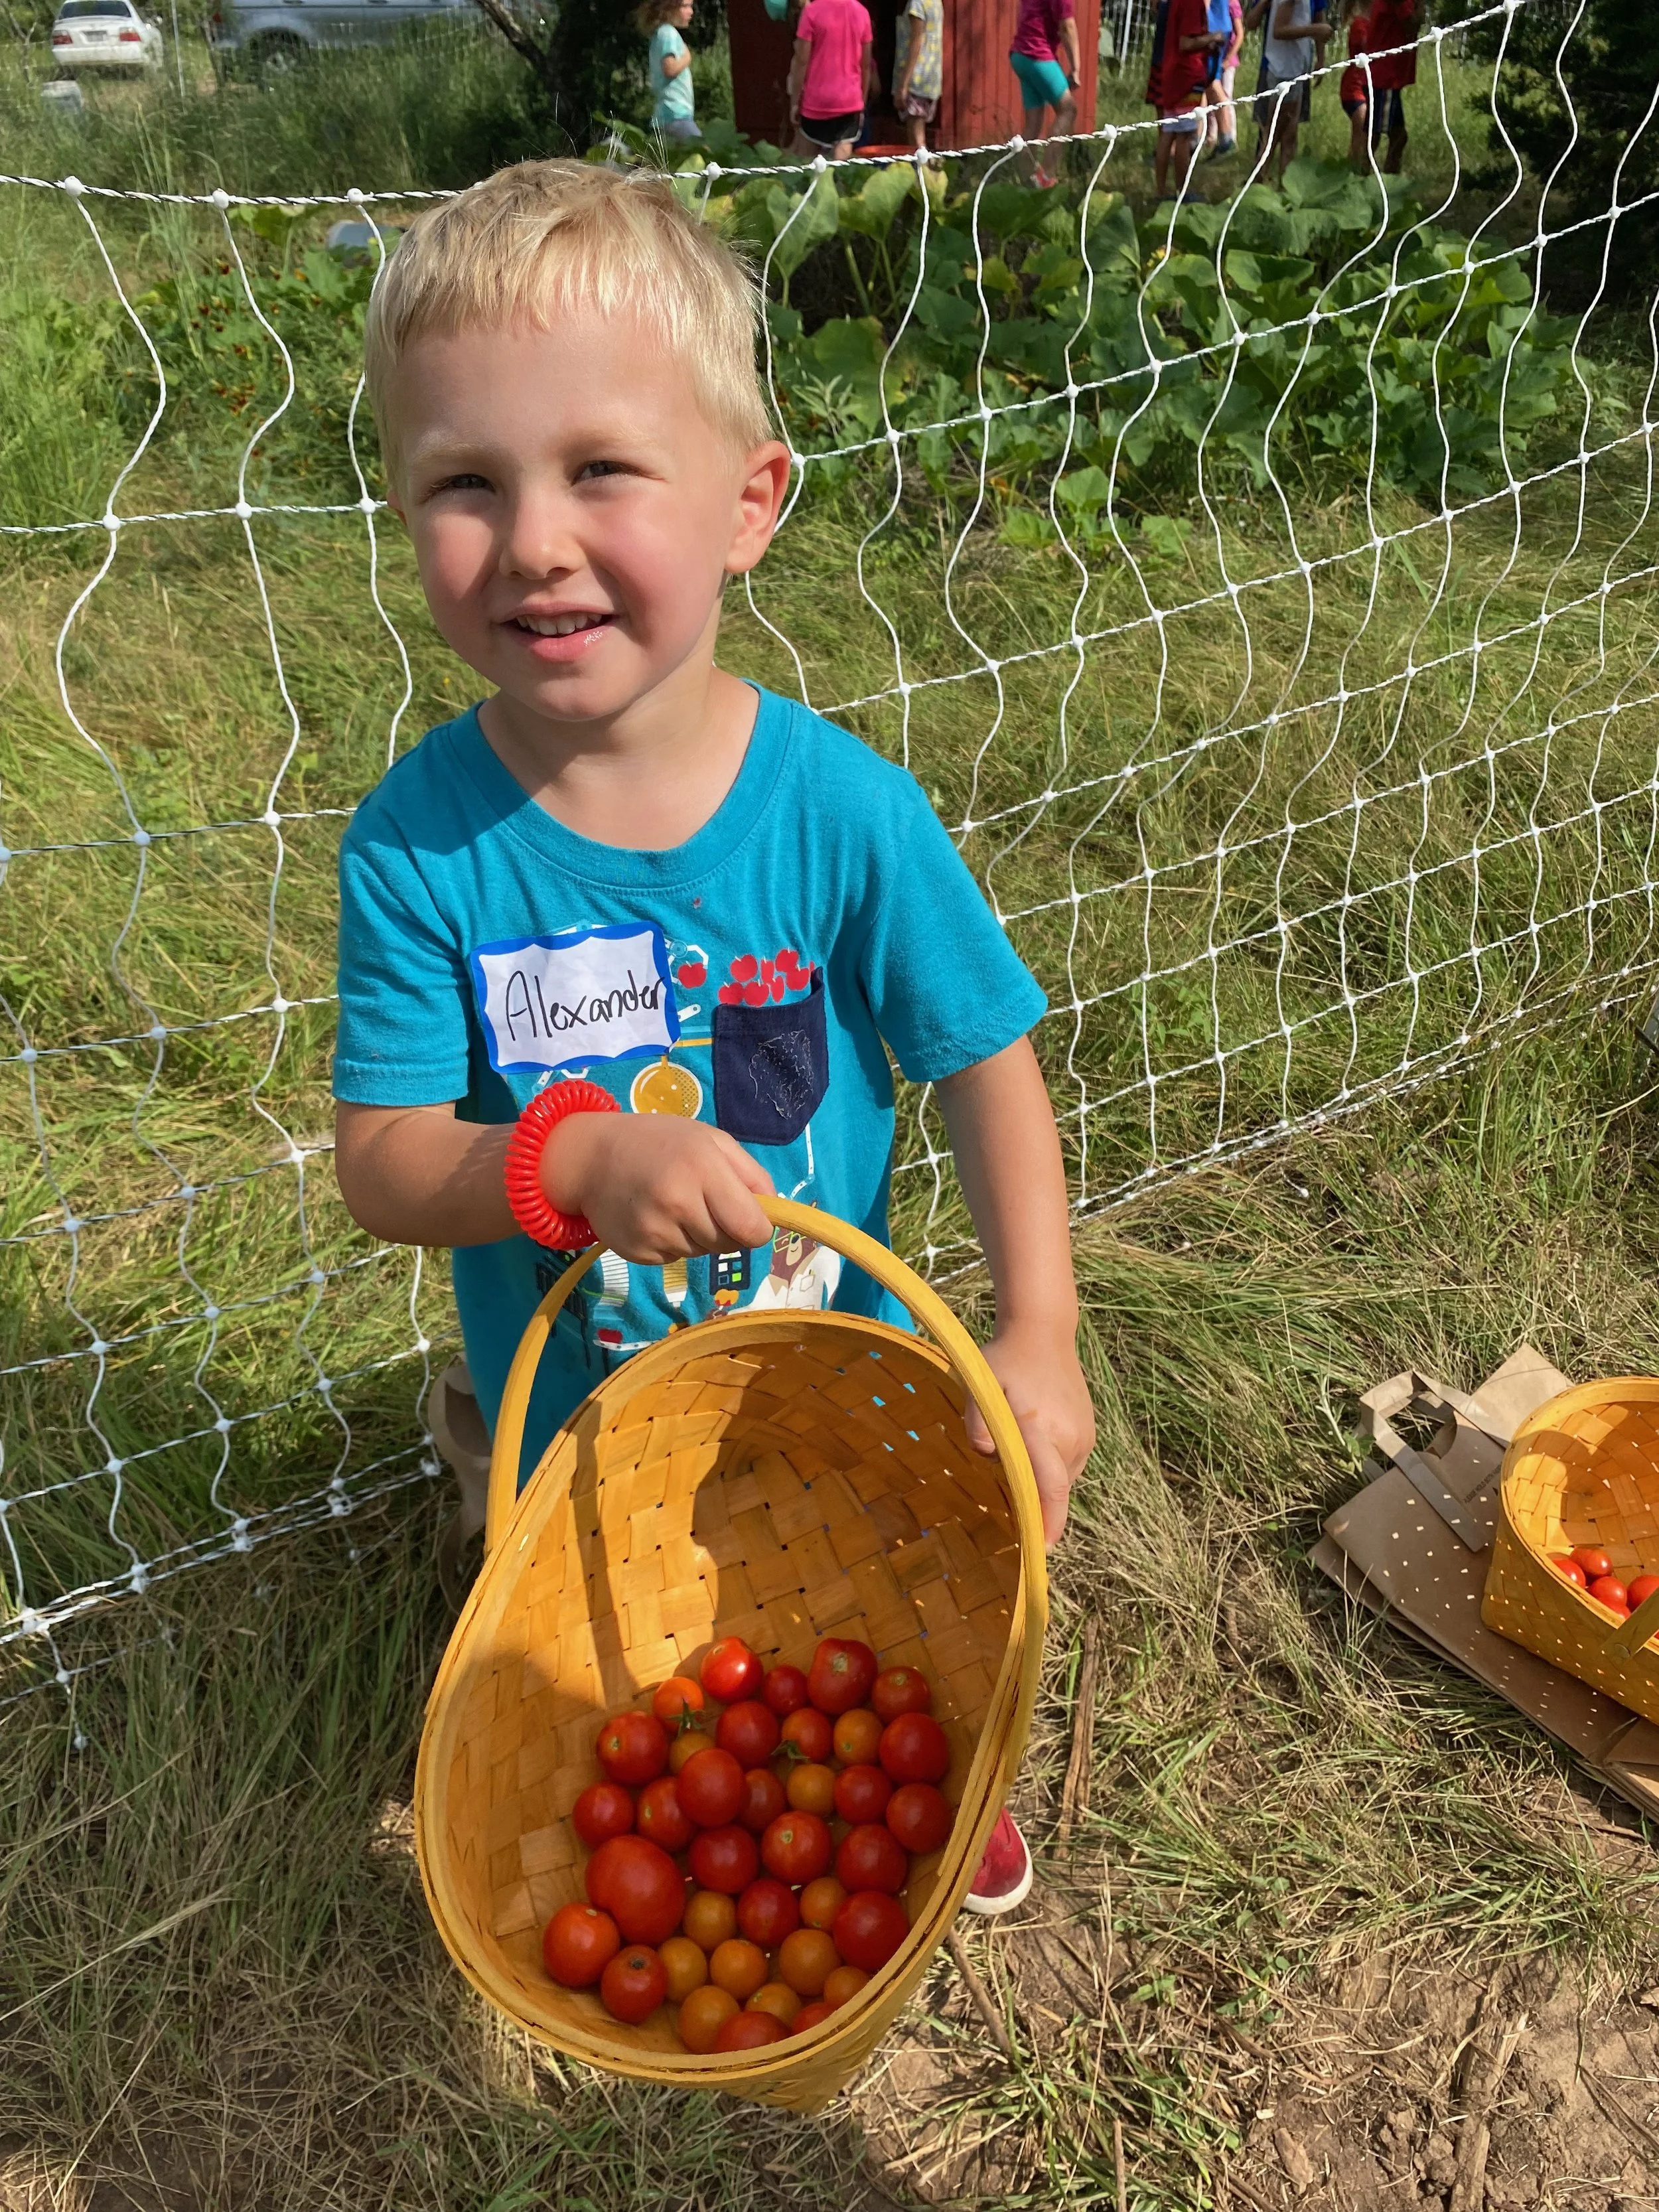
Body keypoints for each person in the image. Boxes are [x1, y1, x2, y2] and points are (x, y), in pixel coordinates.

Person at [334, 161, 1096, 1915]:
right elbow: (383, 1162)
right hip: (579, 1417)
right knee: (637, 1715)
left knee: (867, 1628)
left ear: (749, 502)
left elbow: (983, 1060)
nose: (533, 540)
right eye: (466, 483)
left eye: (600, 467)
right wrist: (567, 1158)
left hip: (825, 1381)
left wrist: (1037, 1332)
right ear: (404, 513)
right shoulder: (421, 845)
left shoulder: (843, 814)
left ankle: (908, 1768)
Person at [1145, 0, 1226, 199]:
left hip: (1172, 71)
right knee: (1185, 135)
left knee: (1168, 131)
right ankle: (1183, 192)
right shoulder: (1193, 3)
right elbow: (1186, 43)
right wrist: (1212, 38)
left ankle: (1161, 192)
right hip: (1187, 74)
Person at [788, 0, 877, 162]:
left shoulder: (812, 12)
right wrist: (861, 101)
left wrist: (795, 102)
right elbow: (865, 65)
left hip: (816, 102)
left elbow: (802, 61)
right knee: (842, 167)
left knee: (807, 164)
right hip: (850, 102)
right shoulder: (862, 13)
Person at [1009, 0, 1082, 190]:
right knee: (1068, 111)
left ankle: (1025, 182)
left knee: (1033, 123)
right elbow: (1068, 27)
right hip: (1037, 54)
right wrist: (1075, 68)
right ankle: (1045, 177)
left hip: (1021, 54)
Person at [1256, 0, 1331, 182]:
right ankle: (1257, 182)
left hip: (1294, 67)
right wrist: (1315, 30)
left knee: (1289, 134)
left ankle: (1285, 190)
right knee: (1274, 133)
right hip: (1284, 70)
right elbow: (1279, 30)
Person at [1364, 0, 1417, 173]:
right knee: (1375, 135)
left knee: (1399, 136)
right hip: (1385, 75)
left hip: (1385, 73)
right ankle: (1359, 180)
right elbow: (1411, 24)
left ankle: (1390, 183)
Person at [637, 0, 699, 145]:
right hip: (675, 113)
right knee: (705, 155)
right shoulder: (668, 33)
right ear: (669, 8)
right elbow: (669, 69)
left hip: (670, 114)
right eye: (685, 6)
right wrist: (687, 58)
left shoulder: (662, 33)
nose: (691, 12)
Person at [892, 0, 943, 151]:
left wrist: (903, 84)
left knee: (916, 136)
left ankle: (923, 172)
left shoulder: (917, 4)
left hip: (916, 78)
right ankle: (920, 172)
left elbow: (916, 41)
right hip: (931, 77)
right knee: (916, 132)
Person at [1203, 0, 1244, 161]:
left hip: (1213, 28)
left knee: (1212, 83)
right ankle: (1208, 138)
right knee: (1209, 84)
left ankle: (1227, 139)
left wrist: (1204, 21)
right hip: (1217, 26)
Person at [1340, 4, 1372, 169]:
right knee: (1360, 136)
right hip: (1355, 88)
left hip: (1369, 86)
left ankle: (1361, 172)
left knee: (1367, 136)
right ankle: (1352, 173)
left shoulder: (1373, 21)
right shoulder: (1360, 23)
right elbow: (1370, 47)